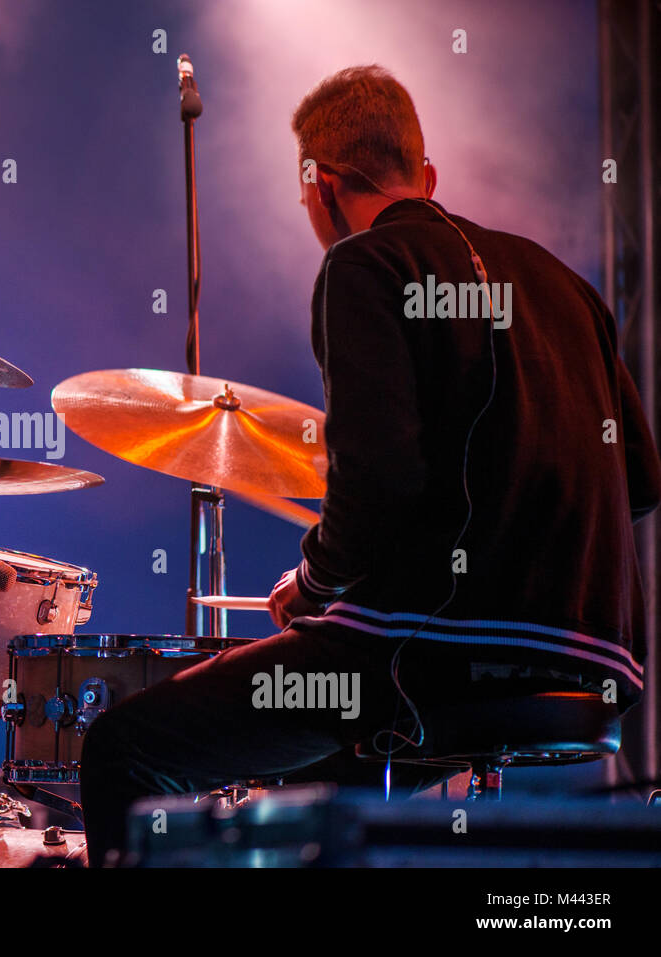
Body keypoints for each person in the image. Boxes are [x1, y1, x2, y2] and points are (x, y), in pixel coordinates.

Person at [79, 65, 661, 865]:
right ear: (426, 175)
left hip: (427, 654)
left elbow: (380, 485)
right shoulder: (568, 287)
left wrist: (311, 585)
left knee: (123, 745)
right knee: (294, 797)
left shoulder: (363, 268)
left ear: (318, 185)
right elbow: (643, 482)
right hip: (600, 662)